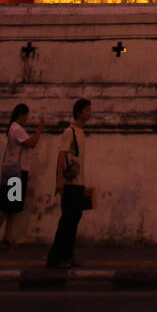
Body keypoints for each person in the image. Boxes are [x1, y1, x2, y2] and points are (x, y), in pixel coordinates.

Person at [0, 103, 43, 248]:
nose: (27, 119)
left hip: (14, 171)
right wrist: (39, 130)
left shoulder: (12, 127)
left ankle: (7, 235)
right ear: (22, 114)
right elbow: (31, 143)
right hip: (15, 173)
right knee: (7, 208)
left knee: (12, 207)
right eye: (26, 116)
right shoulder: (17, 129)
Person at [45, 98, 92, 270]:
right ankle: (55, 258)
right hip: (70, 184)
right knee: (66, 222)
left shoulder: (81, 132)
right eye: (87, 110)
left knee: (74, 221)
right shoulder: (69, 132)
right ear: (79, 112)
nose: (90, 113)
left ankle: (68, 254)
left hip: (78, 184)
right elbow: (61, 155)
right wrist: (59, 181)